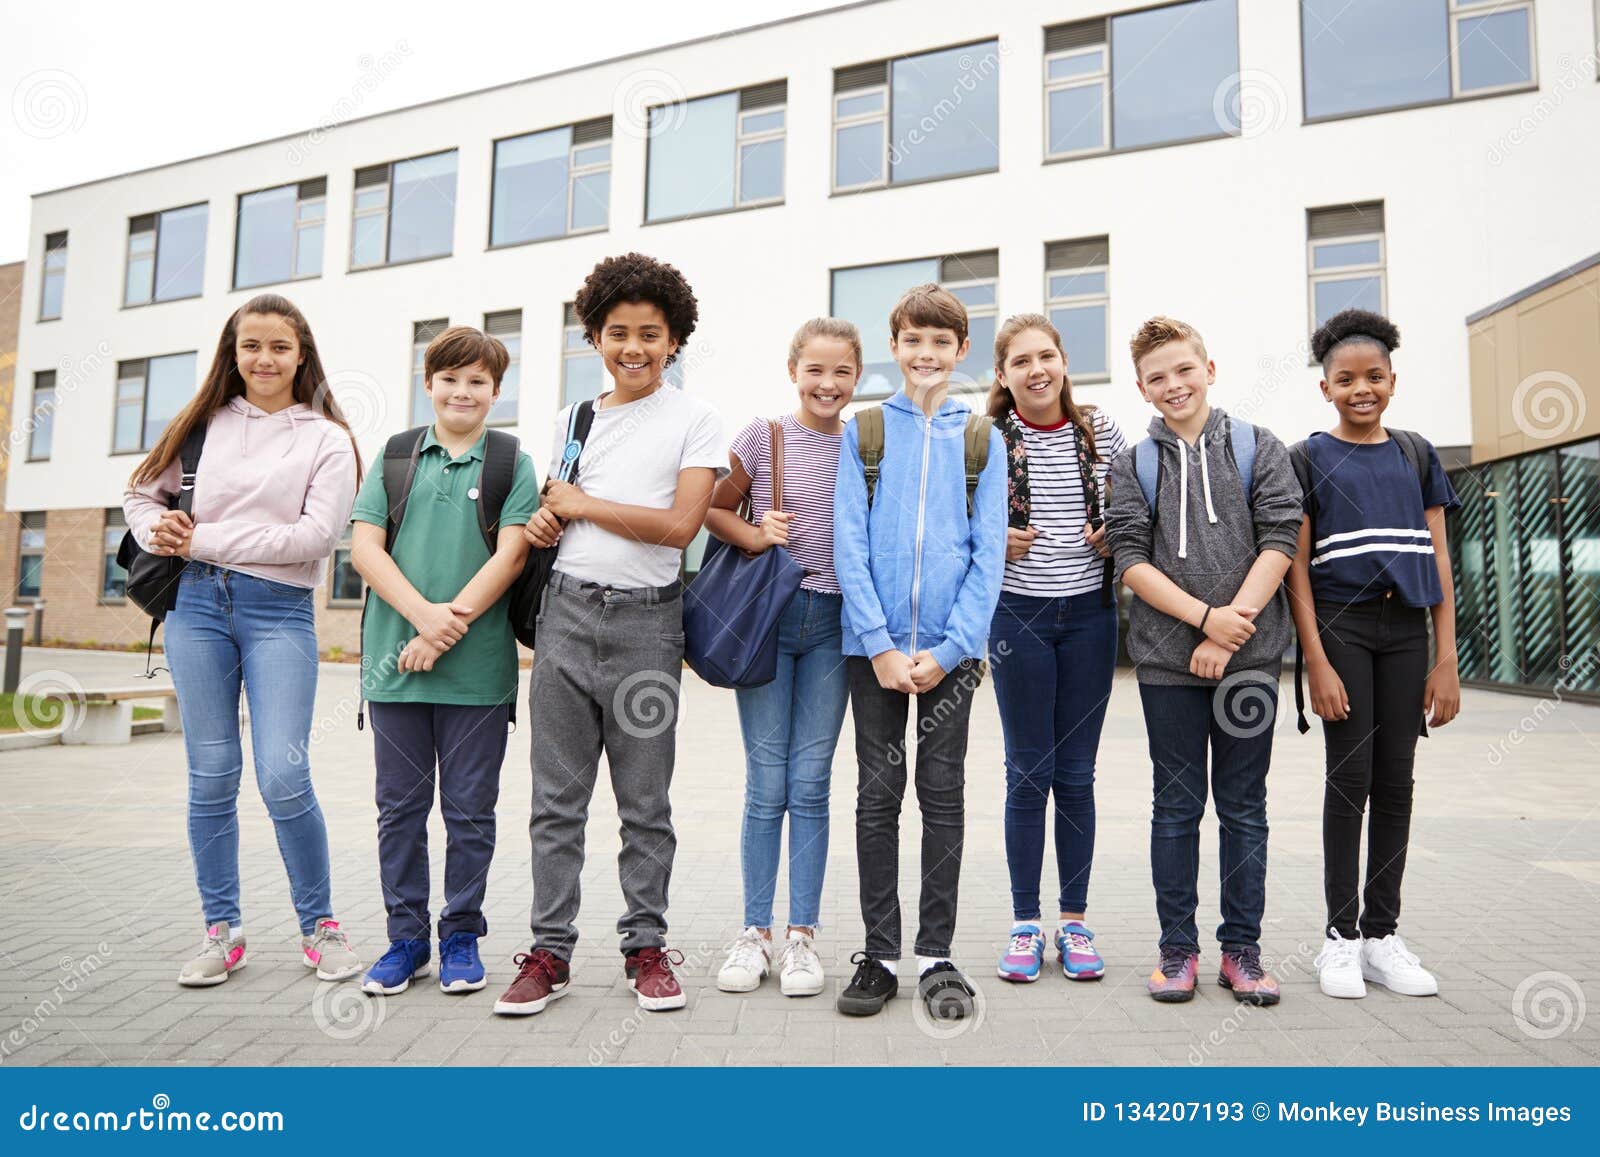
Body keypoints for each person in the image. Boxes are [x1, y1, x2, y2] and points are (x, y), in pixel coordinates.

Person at [494, 253, 726, 1016]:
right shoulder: (575, 418)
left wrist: (584, 503)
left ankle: (645, 946)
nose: (634, 347)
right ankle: (549, 951)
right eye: (618, 332)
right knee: (555, 800)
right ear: (594, 336)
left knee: (644, 801)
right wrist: (547, 517)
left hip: (647, 624)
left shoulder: (695, 420)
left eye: (651, 334)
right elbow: (559, 513)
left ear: (674, 340)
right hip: (564, 615)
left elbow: (681, 526)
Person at [124, 293, 362, 988]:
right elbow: (142, 493)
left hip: (279, 611)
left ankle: (320, 927)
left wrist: (204, 535)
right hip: (194, 605)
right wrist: (156, 530)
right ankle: (221, 930)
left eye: (278, 346)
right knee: (211, 774)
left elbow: (314, 538)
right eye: (249, 345)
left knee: (283, 773)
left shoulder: (325, 438)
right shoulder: (200, 423)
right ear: (233, 353)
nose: (263, 358)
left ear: (301, 354)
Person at [1104, 315, 1302, 1006]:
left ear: (1208, 369)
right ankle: (1178, 949)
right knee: (1176, 806)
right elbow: (1129, 559)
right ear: (1142, 389)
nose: (1173, 384)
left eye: (1183, 369)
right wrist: (1203, 622)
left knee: (1245, 806)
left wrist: (1230, 633)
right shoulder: (1132, 464)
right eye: (1157, 377)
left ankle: (1241, 951)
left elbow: (1281, 537)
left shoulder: (1259, 447)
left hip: (1250, 663)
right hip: (1166, 663)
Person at [832, 283, 1006, 1021]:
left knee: (943, 797)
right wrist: (877, 644)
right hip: (871, 653)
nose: (927, 354)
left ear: (960, 351)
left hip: (952, 656)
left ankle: (936, 953)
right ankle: (881, 952)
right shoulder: (863, 430)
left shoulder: (981, 438)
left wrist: (951, 647)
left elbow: (988, 553)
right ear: (894, 347)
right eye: (914, 341)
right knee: (878, 799)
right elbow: (848, 542)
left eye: (942, 343)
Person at [350, 326, 536, 997]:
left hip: (478, 673)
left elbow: (511, 557)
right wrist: (423, 618)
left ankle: (460, 935)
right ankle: (406, 940)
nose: (463, 391)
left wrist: (442, 629)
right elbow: (365, 551)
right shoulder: (396, 455)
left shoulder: (511, 461)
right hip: (393, 667)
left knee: (469, 811)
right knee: (398, 809)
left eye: (478, 381)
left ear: (495, 390)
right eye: (450, 378)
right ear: (429, 384)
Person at [1286, 308, 1461, 1001]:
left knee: (1396, 781)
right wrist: (1317, 662)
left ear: (1393, 380)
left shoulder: (1416, 453)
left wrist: (1444, 658)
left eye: (1375, 376)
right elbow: (1297, 570)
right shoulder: (1309, 458)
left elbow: (1441, 558)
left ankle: (1384, 935)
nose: (1363, 388)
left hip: (1406, 630)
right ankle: (1340, 938)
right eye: (1346, 378)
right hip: (1342, 627)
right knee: (1349, 776)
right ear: (1325, 386)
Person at [709, 319, 861, 998]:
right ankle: (753, 933)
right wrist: (753, 531)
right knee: (766, 780)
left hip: (834, 621)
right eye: (816, 371)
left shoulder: (866, 441)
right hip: (770, 618)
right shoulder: (761, 435)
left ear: (858, 378)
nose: (828, 385)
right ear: (794, 371)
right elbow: (709, 510)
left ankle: (802, 935)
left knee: (812, 780)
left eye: (842, 372)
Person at [985, 314, 1127, 985]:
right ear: (1003, 374)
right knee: (1027, 770)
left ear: (1065, 361)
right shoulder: (983, 439)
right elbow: (955, 528)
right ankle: (1023, 922)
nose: (1037, 370)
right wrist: (992, 537)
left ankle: (1073, 921)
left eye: (1047, 355)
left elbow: (1134, 515)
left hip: (1092, 616)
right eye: (1022, 360)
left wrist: (1115, 536)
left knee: (1076, 773)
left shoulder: (1102, 432)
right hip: (1019, 617)